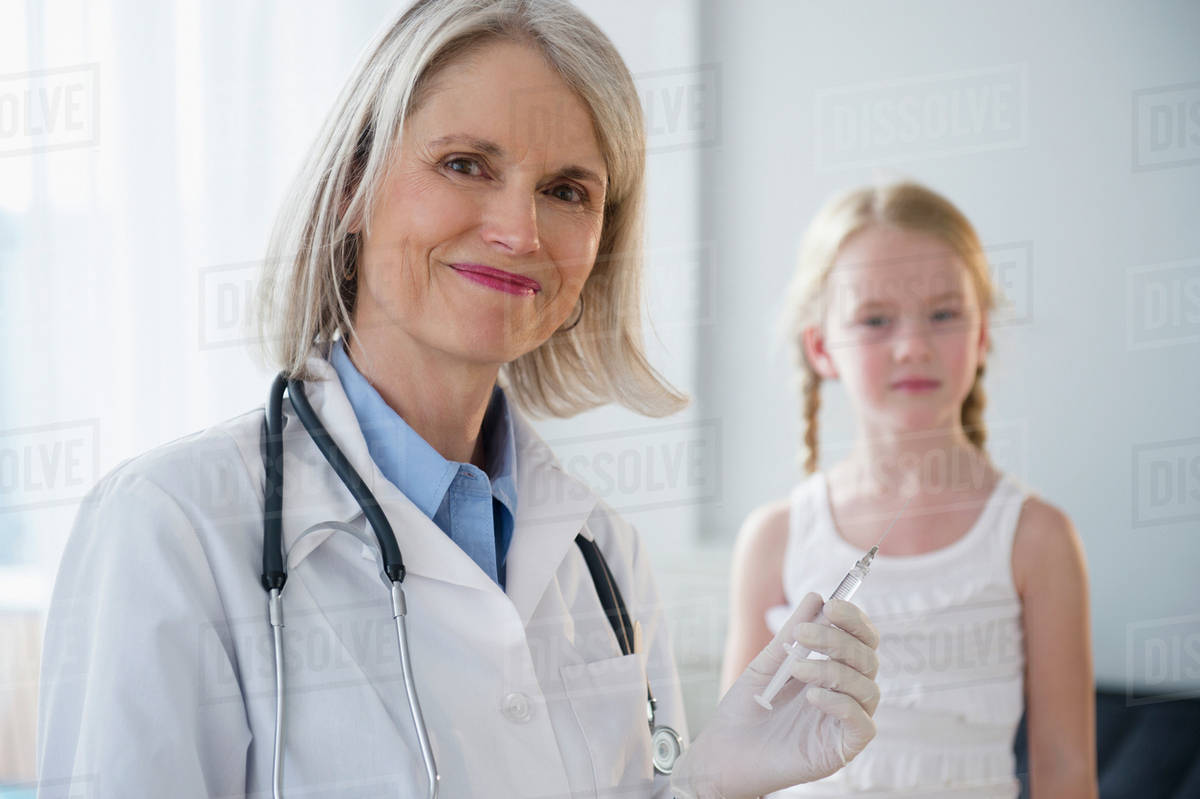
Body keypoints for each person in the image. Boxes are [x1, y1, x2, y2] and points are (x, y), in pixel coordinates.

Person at [36, 2, 882, 797]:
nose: (520, 232)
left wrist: (706, 783)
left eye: (566, 191)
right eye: (465, 164)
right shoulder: (170, 527)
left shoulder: (603, 555)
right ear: (352, 186)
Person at [721, 181, 1098, 797]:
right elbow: (733, 764)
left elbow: (1065, 771)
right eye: (874, 320)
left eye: (944, 314)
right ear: (822, 348)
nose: (914, 346)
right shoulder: (774, 539)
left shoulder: (1037, 539)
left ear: (981, 336)